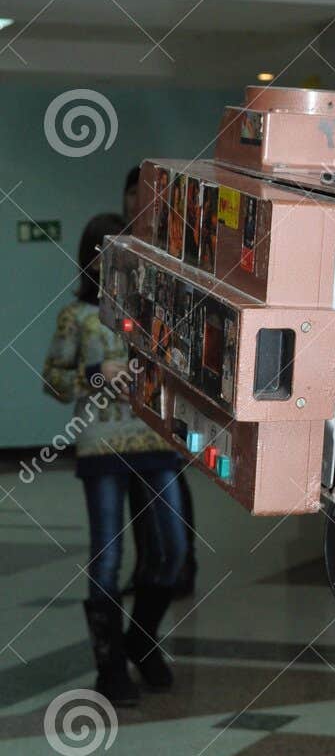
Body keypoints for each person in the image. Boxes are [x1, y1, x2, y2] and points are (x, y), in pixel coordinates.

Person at [42, 212, 187, 705]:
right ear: (90, 259)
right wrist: (97, 372)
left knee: (172, 553)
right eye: (105, 253)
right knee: (109, 556)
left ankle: (140, 643)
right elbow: (53, 382)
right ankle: (110, 668)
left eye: (126, 252)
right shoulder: (77, 317)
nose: (115, 262)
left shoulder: (158, 310)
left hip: (157, 444)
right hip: (102, 446)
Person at [124, 164, 197, 599]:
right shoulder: (126, 243)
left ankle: (180, 563)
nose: (137, 201)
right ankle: (149, 565)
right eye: (132, 193)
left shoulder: (167, 245)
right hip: (128, 401)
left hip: (160, 388)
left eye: (143, 192)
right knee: (139, 490)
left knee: (171, 485)